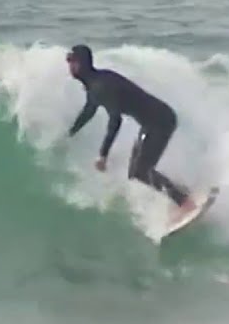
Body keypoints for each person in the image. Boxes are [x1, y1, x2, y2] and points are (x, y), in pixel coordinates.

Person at [65, 44, 197, 219]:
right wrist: (70, 133)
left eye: (72, 61)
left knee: (141, 171)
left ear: (82, 64)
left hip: (161, 121)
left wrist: (103, 154)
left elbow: (115, 120)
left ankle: (185, 202)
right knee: (135, 172)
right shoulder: (96, 84)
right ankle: (183, 193)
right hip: (151, 123)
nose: (69, 66)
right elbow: (89, 110)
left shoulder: (101, 86)